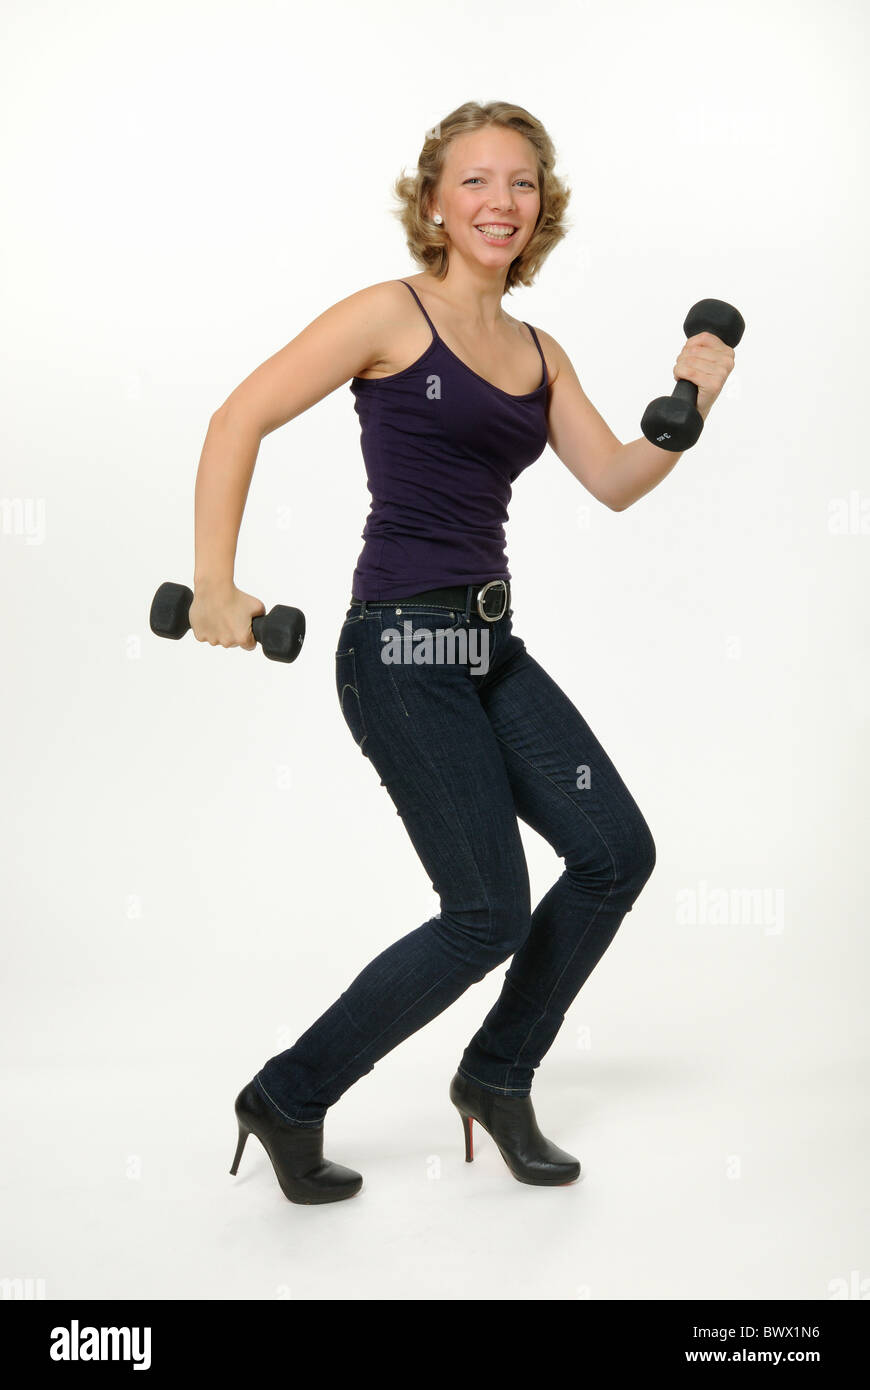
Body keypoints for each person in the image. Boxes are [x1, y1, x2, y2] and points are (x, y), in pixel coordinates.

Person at [189, 100, 736, 1205]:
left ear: (544, 210)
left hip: (489, 646)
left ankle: (496, 1076)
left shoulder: (539, 352)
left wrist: (694, 404)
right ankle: (288, 1095)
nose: (501, 202)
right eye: (476, 181)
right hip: (397, 648)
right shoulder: (388, 315)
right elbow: (236, 417)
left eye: (523, 184)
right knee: (485, 910)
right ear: (433, 201)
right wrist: (214, 583)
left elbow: (620, 479)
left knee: (613, 850)